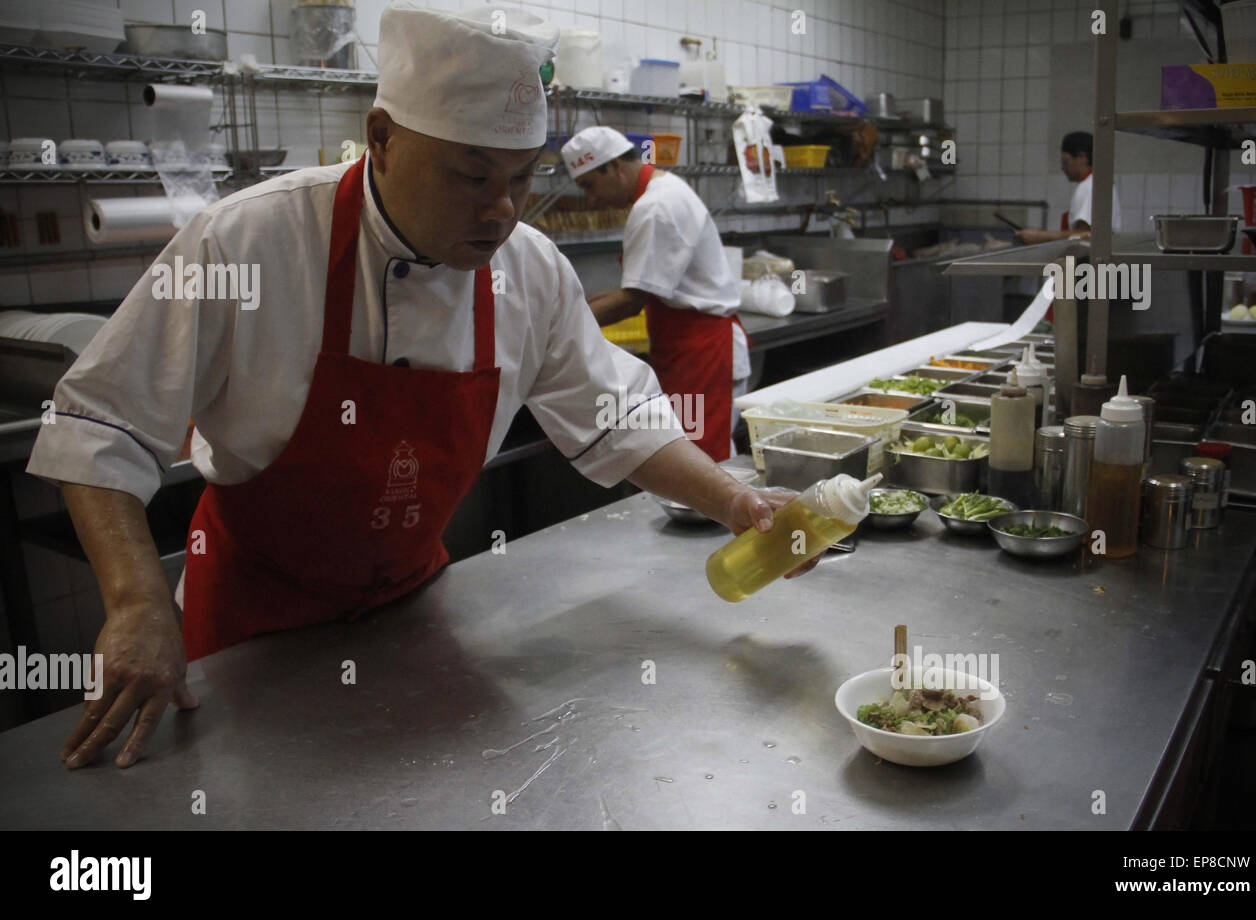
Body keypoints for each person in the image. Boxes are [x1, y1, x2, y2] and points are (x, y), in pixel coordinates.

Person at [26, 3, 812, 771]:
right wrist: (135, 602)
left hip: (409, 612)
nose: (501, 210)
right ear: (383, 138)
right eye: (472, 175)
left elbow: (622, 415)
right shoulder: (252, 239)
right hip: (251, 625)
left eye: (521, 177)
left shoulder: (529, 270)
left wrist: (737, 502)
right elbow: (98, 420)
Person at [562, 127, 750, 460]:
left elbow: (631, 300)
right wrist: (577, 306)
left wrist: (560, 327)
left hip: (702, 351)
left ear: (616, 167)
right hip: (687, 346)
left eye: (590, 186)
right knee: (694, 451)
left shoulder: (655, 206)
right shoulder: (664, 191)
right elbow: (637, 289)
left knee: (700, 456)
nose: (592, 200)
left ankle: (717, 514)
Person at [1014, 131, 1122, 245]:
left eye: (1066, 161)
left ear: (1082, 157)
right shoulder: (1097, 182)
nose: (1063, 168)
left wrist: (1040, 236)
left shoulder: (1090, 186)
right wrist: (1042, 234)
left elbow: (1086, 234)